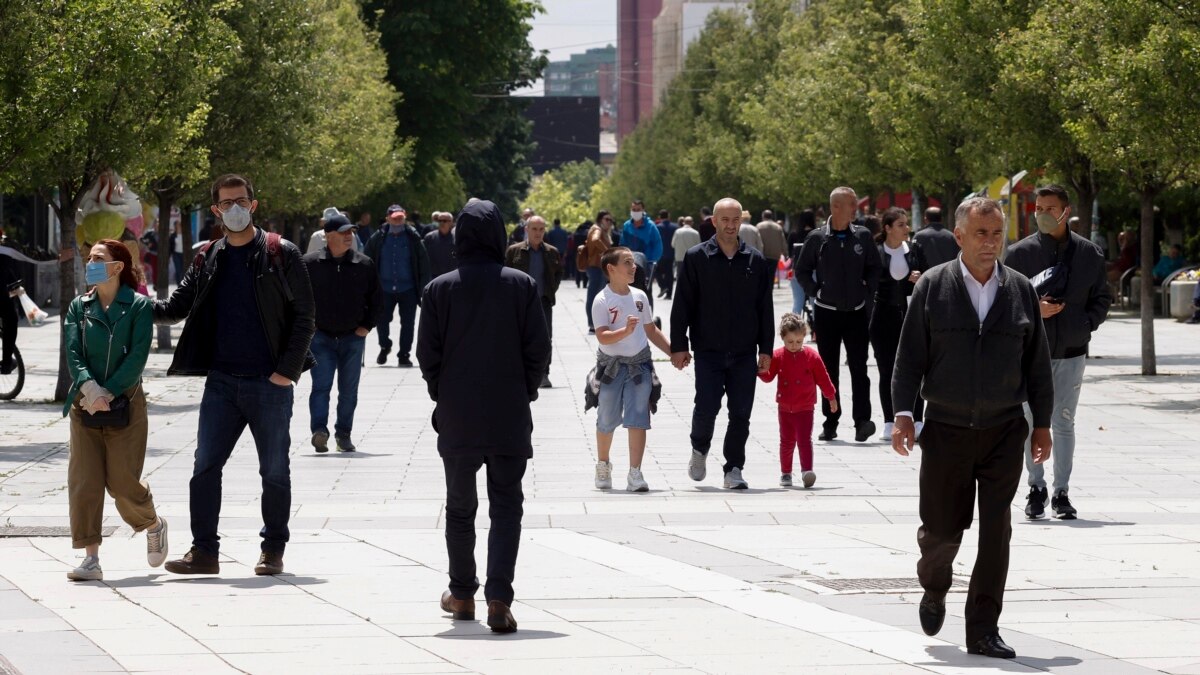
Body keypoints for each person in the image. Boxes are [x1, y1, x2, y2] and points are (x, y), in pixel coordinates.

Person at [891, 197, 1053, 660]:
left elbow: (1037, 364)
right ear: (959, 236)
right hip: (946, 429)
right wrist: (904, 414)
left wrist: (1042, 424)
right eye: (981, 233)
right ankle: (935, 584)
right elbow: (909, 358)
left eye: (997, 233)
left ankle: (983, 629)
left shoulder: (1019, 289)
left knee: (996, 530)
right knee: (940, 532)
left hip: (1004, 429)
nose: (990, 242)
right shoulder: (933, 286)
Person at [154, 173, 316, 576]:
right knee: (204, 468)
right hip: (222, 383)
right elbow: (175, 308)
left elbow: (305, 317)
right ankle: (204, 552)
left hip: (270, 383)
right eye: (226, 203)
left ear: (253, 205)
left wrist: (286, 372)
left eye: (241, 201)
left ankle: (272, 550)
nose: (235, 209)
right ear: (216, 210)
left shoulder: (282, 252)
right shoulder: (208, 257)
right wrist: (126, 299)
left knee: (274, 471)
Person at [417, 199, 550, 635]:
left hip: (458, 413)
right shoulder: (521, 284)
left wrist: (443, 393)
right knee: (507, 505)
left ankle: (461, 593)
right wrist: (524, 391)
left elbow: (427, 355)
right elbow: (538, 350)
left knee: (460, 507)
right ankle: (498, 599)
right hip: (508, 410)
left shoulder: (439, 289)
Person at [1004, 184, 1112, 521]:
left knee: (1063, 422)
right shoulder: (1019, 254)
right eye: (1038, 208)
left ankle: (1061, 492)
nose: (1043, 214)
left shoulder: (1089, 253)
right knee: (1029, 421)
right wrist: (1035, 310)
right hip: (1030, 352)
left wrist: (1084, 324)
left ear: (1066, 211)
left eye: (1050, 208)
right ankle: (1035, 487)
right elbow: (1005, 301)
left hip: (1071, 350)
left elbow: (1102, 297)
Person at [63, 239, 167, 581]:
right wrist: (89, 388)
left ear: (117, 266)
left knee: (122, 483)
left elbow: (137, 356)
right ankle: (91, 558)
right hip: (85, 405)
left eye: (98, 258)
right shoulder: (79, 306)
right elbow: (73, 352)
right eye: (89, 258)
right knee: (85, 482)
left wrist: (108, 391)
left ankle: (152, 523)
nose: (90, 263)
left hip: (125, 404)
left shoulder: (138, 306)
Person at [670, 197, 774, 490]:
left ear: (741, 221)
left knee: (741, 413)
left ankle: (734, 468)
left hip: (744, 351)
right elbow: (682, 304)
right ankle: (699, 448)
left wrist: (766, 349)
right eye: (725, 220)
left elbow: (765, 308)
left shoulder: (755, 260)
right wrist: (679, 345)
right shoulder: (696, 257)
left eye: (735, 220)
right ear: (714, 221)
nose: (730, 225)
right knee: (706, 407)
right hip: (708, 350)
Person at [794, 187, 882, 443]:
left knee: (859, 368)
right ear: (836, 207)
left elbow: (875, 268)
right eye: (852, 204)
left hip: (856, 313)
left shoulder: (863, 236)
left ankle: (862, 421)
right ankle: (830, 421)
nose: (856, 208)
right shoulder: (817, 238)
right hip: (827, 313)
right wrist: (816, 291)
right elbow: (801, 270)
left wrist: (866, 290)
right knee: (827, 370)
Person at [591, 247, 674, 492]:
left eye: (633, 262)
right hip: (611, 368)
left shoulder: (640, 297)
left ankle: (635, 473)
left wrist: (674, 352)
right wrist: (625, 331)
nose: (633, 266)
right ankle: (603, 464)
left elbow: (650, 330)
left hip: (639, 366)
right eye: (627, 262)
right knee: (606, 418)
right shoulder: (601, 300)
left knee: (639, 417)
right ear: (611, 268)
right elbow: (602, 336)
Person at [303, 214, 382, 453]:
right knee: (321, 387)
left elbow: (376, 300)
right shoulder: (309, 264)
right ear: (328, 236)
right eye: (344, 232)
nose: (349, 236)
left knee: (348, 391)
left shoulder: (364, 264)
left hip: (352, 338)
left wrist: (366, 326)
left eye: (351, 232)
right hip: (321, 338)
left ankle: (343, 435)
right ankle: (319, 431)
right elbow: (297, 298)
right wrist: (308, 324)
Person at [758, 313, 836, 489]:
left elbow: (823, 377)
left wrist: (831, 396)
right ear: (783, 338)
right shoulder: (778, 356)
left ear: (804, 338)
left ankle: (807, 471)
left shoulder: (811, 356)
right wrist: (762, 371)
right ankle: (785, 472)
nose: (794, 345)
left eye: (799, 342)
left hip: (805, 408)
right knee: (786, 441)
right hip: (785, 408)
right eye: (790, 342)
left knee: (804, 440)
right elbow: (769, 377)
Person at [870, 207, 927, 440]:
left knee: (915, 368)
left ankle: (918, 419)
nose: (907, 228)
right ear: (888, 228)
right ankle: (889, 421)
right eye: (901, 224)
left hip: (910, 316)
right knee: (886, 370)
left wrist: (920, 277)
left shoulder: (914, 249)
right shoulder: (875, 252)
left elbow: (928, 276)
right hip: (882, 317)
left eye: (907, 223)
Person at [365, 204, 430, 367]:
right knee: (381, 321)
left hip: (408, 289)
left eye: (400, 218)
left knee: (408, 324)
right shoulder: (378, 237)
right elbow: (366, 259)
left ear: (405, 218)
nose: (397, 221)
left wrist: (423, 288)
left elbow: (424, 263)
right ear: (388, 218)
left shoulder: (413, 237)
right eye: (394, 219)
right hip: (383, 289)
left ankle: (404, 354)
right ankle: (385, 345)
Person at [505, 215, 562, 388]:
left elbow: (558, 273)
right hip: (520, 303)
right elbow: (505, 274)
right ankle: (519, 372)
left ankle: (544, 374)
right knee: (518, 337)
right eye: (534, 229)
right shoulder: (514, 251)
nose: (538, 233)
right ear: (526, 230)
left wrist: (550, 290)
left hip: (543, 301)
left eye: (541, 229)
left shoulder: (551, 252)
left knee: (545, 338)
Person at [620, 200, 664, 300]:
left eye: (638, 209)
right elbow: (622, 244)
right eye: (634, 209)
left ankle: (648, 310)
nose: (636, 212)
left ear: (643, 210)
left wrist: (652, 261)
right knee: (628, 292)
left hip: (646, 265)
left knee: (646, 292)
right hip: (629, 265)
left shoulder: (651, 226)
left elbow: (658, 245)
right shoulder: (627, 225)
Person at [584, 211, 615, 333]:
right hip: (596, 267)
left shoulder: (604, 231)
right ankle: (593, 324)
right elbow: (595, 239)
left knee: (599, 296)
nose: (609, 222)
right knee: (594, 296)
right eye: (606, 219)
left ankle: (596, 323)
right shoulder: (597, 229)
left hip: (599, 267)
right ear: (600, 219)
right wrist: (607, 251)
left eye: (611, 220)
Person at [788, 210, 817, 316]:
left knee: (797, 302)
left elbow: (790, 254)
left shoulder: (794, 234)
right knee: (815, 301)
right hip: (813, 271)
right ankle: (816, 325)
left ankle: (793, 325)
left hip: (796, 270)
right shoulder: (817, 234)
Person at [670, 216, 700, 301]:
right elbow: (699, 246)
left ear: (684, 222)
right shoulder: (695, 233)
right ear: (692, 223)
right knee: (691, 276)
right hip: (692, 258)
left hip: (679, 257)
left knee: (680, 276)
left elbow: (672, 244)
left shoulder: (678, 231)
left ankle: (680, 293)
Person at [757, 210, 788, 288]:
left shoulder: (759, 226)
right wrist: (785, 254)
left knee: (762, 276)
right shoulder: (778, 227)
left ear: (763, 216)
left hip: (763, 254)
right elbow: (783, 241)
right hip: (775, 255)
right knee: (771, 276)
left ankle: (763, 292)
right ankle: (769, 292)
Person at [424, 211, 458, 278]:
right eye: (439, 221)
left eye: (444, 221)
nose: (441, 223)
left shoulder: (457, 238)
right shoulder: (429, 238)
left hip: (452, 277)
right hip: (434, 277)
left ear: (451, 222)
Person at [655, 210, 677, 298]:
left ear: (659, 217)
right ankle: (669, 294)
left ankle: (663, 286)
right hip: (671, 253)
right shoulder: (675, 227)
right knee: (669, 274)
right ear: (668, 216)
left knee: (656, 271)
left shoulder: (657, 227)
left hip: (660, 254)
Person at [573, 220, 593, 288]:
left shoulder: (576, 232)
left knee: (578, 266)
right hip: (586, 251)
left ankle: (578, 282)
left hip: (577, 251)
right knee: (585, 266)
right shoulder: (588, 232)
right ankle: (585, 283)